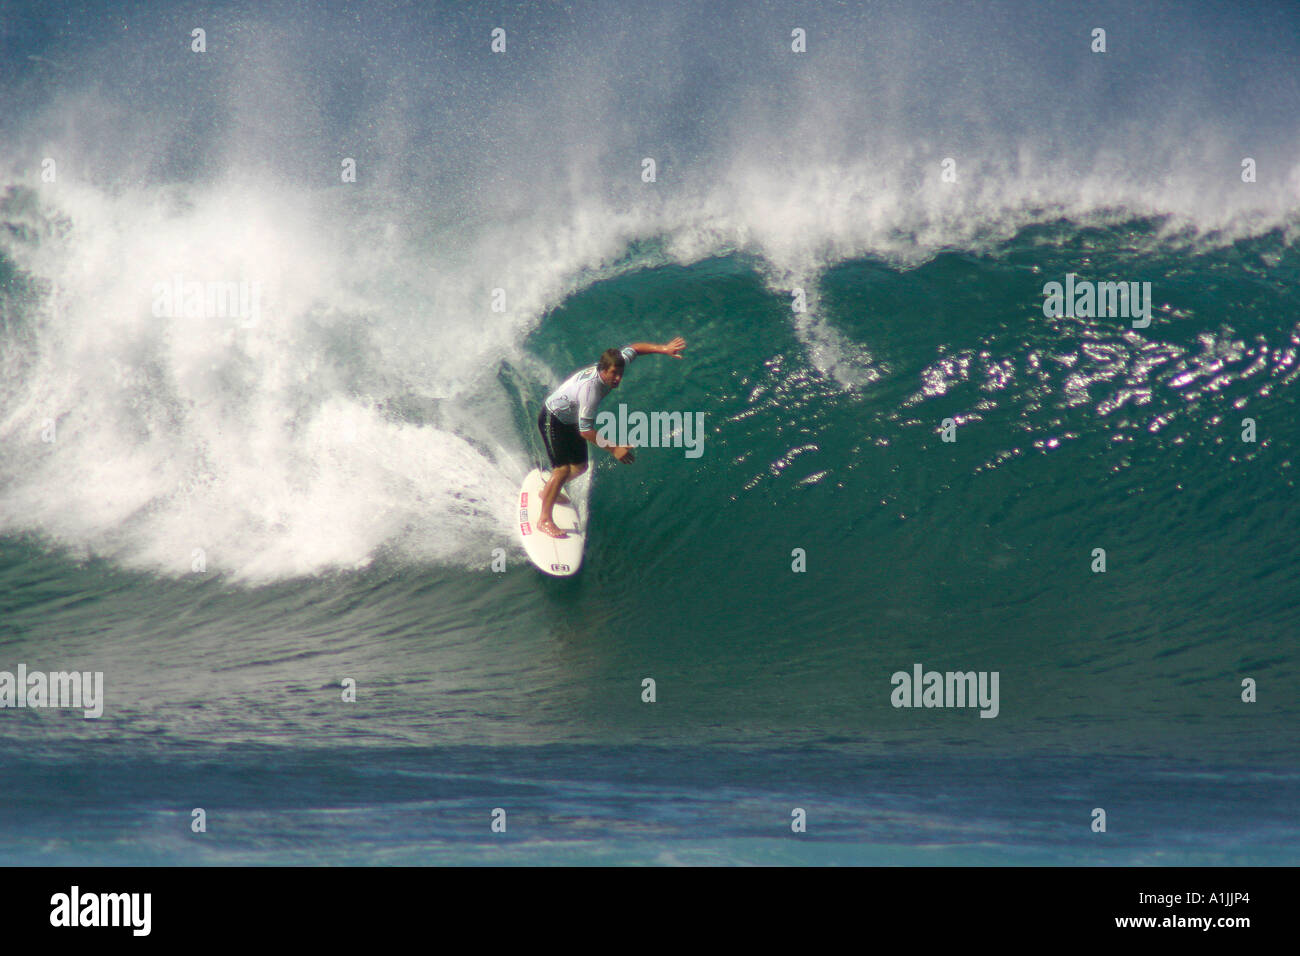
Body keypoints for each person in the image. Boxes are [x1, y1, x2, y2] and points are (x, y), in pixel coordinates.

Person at [536, 337, 686, 537]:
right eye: (614, 374)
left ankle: (548, 491)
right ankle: (544, 520)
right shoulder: (591, 390)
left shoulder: (616, 361)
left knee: (580, 467)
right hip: (552, 418)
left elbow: (635, 348)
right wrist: (614, 448)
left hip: (570, 419)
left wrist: (663, 348)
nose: (618, 379)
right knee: (562, 469)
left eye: (620, 373)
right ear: (603, 370)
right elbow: (586, 431)